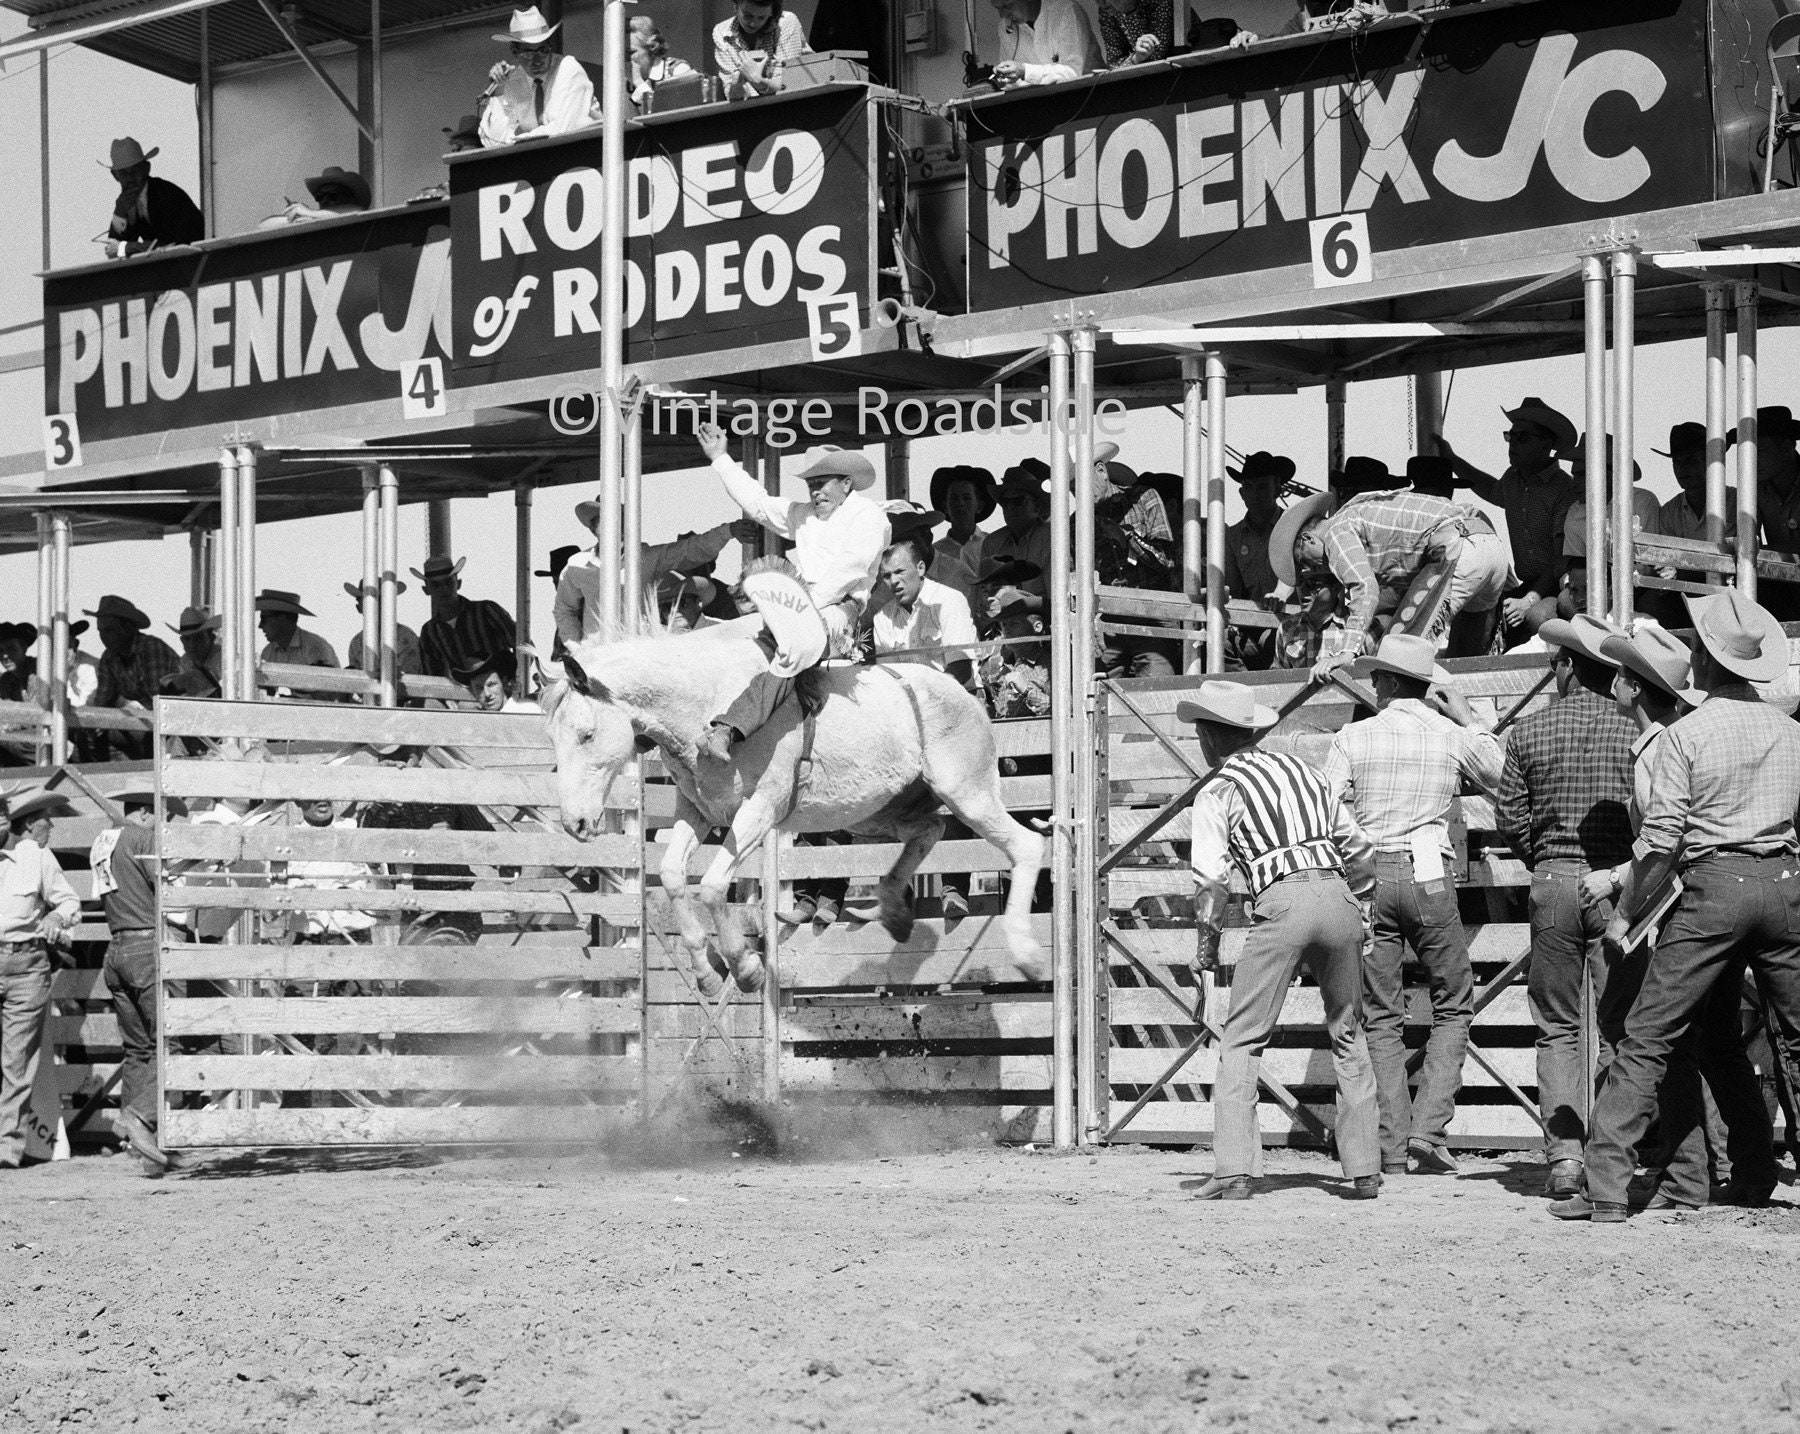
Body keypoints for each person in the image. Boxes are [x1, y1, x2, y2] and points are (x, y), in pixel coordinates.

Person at [1553, 590, 1800, 1221]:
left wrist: (1624, 915)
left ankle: (1605, 1186)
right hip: (1784, 881)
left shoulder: (1686, 737)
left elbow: (1661, 845)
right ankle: (1755, 1171)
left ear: (1706, 660)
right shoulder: (1791, 731)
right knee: (1782, 1038)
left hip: (1713, 889)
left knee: (1647, 1036)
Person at [1587, 623, 1765, 1211]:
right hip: (1723, 895)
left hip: (1688, 906)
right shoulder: (1669, 740)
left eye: (1621, 675)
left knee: (1657, 1038)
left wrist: (1622, 896)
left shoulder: (1664, 748)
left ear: (1635, 688)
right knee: (1714, 1040)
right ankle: (1729, 1170)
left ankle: (1658, 1179)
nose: (1613, 683)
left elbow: (1669, 842)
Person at [1181, 680, 1382, 1201]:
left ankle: (1234, 1170)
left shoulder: (1219, 790)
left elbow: (1211, 881)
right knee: (1348, 1032)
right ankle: (1364, 1168)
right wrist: (1361, 906)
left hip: (1281, 903)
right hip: (1338, 895)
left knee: (1242, 1038)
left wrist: (1206, 950)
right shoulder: (1307, 772)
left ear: (1209, 735)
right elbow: (1359, 847)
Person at [1324, 633, 1502, 1178]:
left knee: (1380, 1012)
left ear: (1386, 681)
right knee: (1454, 1001)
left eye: (1376, 676)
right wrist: (1469, 718)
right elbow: (1500, 777)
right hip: (1429, 873)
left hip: (1370, 874)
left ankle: (1392, 1145)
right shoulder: (1449, 735)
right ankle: (1429, 1128)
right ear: (1422, 685)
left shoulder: (1353, 736)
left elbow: (1327, 810)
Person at [1494, 614, 1638, 1199]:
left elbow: (1510, 816)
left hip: (1553, 879)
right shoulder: (1634, 729)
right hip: (1617, 881)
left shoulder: (1527, 731)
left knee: (1556, 1024)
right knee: (1618, 1023)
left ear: (1570, 667)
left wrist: (1546, 858)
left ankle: (1565, 1157)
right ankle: (1610, 1149)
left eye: (1555, 662)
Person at [695, 427, 889, 761]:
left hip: (840, 612)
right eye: (811, 484)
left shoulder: (869, 515)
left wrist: (802, 610)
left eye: (823, 483)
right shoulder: (803, 514)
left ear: (846, 483)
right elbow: (757, 503)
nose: (815, 491)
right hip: (799, 607)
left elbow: (848, 571)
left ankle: (729, 728)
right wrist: (720, 458)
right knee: (737, 636)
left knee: (798, 645)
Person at [1271, 488, 1513, 681]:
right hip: (1489, 544)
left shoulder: (1336, 531)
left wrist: (1346, 652)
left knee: (1397, 655)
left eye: (1306, 562)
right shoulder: (1358, 516)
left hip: (1457, 548)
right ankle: (1478, 717)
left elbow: (1365, 588)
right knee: (1466, 660)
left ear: (1307, 539)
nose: (1315, 570)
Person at [1433, 399, 1577, 644]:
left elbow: (1558, 559)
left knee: (1537, 618)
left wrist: (1529, 600)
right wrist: (1452, 459)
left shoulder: (1563, 489)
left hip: (1560, 585)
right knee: (1473, 620)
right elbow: (1491, 489)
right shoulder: (1513, 479)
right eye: (1510, 436)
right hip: (1529, 583)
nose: (1513, 443)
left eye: (1523, 437)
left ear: (1546, 444)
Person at [91, 787, 183, 1170]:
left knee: (137, 1049)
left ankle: (135, 1141)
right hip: (146, 946)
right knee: (168, 1043)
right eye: (162, 817)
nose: (163, 825)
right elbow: (165, 889)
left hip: (116, 946)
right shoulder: (142, 838)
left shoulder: (103, 841)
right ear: (146, 813)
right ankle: (143, 1117)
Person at [555, 495, 756, 649]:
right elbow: (564, 610)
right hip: (597, 657)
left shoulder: (647, 558)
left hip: (642, 653)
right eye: (604, 520)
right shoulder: (576, 565)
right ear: (593, 528)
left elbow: (691, 549)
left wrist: (729, 531)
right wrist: (577, 649)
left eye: (619, 519)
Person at [0, 788, 79, 1170]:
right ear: (30, 822)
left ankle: (6, 1150)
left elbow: (69, 901)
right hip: (21, 964)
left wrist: (56, 916)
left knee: (16, 1061)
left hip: (25, 964)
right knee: (15, 1060)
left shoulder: (37, 856)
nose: (52, 824)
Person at [870, 535, 979, 691]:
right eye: (886, 576)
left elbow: (961, 670)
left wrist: (923, 697)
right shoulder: (882, 618)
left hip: (960, 696)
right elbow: (889, 676)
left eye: (900, 571)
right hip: (912, 700)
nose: (893, 581)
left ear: (920, 568)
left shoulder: (948, 601)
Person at [480, 6, 597, 148]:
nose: (537, 61)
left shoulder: (568, 69)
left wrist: (516, 140)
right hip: (545, 156)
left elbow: (563, 131)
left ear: (550, 46)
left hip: (587, 153)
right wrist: (499, 90)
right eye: (528, 53)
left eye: (543, 50)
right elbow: (493, 140)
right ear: (515, 52)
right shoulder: (514, 80)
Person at [89, 596, 180, 761]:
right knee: (89, 734)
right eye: (100, 631)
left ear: (128, 627)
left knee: (150, 740)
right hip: (147, 722)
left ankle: (142, 770)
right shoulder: (109, 657)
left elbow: (161, 707)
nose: (103, 637)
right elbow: (102, 703)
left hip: (174, 724)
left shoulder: (151, 649)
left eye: (109, 630)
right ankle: (102, 773)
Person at [414, 555, 517, 682]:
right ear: (426, 590)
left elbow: (524, 646)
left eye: (448, 582)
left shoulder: (487, 610)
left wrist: (511, 681)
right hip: (463, 692)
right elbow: (432, 678)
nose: (444, 589)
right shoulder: (429, 632)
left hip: (501, 688)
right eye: (436, 585)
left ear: (458, 583)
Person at [100, 136, 203, 259]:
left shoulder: (165, 194)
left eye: (135, 171)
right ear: (115, 176)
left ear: (146, 168)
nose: (130, 178)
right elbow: (113, 249)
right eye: (123, 173)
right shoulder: (126, 203)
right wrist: (119, 213)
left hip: (200, 257)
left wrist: (124, 248)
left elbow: (167, 244)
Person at [981, 463, 1055, 622]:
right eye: (1005, 502)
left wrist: (1019, 606)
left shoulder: (1051, 537)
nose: (1010, 507)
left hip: (1046, 628)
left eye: (1018, 501)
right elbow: (985, 601)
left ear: (1036, 506)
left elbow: (1058, 602)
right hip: (1004, 629)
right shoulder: (992, 543)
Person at [931, 466, 997, 618]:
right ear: (945, 506)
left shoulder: (992, 545)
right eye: (954, 498)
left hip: (987, 624)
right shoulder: (935, 552)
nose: (960, 503)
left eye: (966, 498)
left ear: (979, 506)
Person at [990, 0, 1102, 86]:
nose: (1002, 15)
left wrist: (1025, 71)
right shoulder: (1005, 27)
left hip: (1089, 94)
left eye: (1007, 5)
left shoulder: (1065, 10)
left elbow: (1072, 73)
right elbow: (1011, 84)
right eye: (997, 8)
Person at [713, 0, 811, 96]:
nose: (753, 23)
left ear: (771, 11)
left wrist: (757, 81)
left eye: (761, 17)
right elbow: (730, 93)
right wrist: (737, 85)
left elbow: (790, 85)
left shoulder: (785, 23)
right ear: (736, 6)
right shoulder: (723, 32)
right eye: (748, 15)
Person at [257, 590, 341, 696]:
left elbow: (333, 692)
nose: (260, 626)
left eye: (264, 619)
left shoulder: (316, 647)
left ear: (282, 618)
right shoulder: (268, 652)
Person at [343, 582, 424, 678]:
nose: (373, 606)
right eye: (366, 602)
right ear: (359, 607)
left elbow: (409, 677)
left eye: (378, 600)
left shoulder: (407, 637)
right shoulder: (356, 642)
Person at [257, 166, 371, 229]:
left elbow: (356, 212)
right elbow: (262, 226)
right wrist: (293, 218)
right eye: (319, 197)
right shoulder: (312, 219)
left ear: (349, 198)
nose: (324, 200)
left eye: (332, 195)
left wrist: (308, 213)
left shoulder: (357, 217)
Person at [628, 16, 696, 107]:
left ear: (652, 47)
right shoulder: (620, 80)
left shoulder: (677, 70)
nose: (625, 58)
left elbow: (677, 111)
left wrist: (639, 83)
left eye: (631, 52)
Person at [160, 607, 223, 699]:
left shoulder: (223, 661)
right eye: (187, 639)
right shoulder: (185, 662)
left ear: (211, 636)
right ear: (182, 641)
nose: (192, 645)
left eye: (198, 638)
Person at [451, 650, 536, 714]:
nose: (487, 694)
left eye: (491, 685)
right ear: (473, 692)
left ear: (503, 682)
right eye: (479, 688)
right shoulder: (476, 722)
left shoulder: (529, 711)